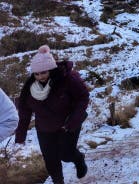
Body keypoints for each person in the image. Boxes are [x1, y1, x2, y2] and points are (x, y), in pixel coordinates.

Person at [15, 45, 89, 183]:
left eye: (43, 72)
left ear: (51, 69)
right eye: (36, 74)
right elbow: (25, 112)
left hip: (67, 124)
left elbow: (83, 97)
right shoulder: (30, 87)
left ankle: (79, 159)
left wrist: (73, 120)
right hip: (44, 128)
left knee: (66, 154)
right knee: (50, 160)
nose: (40, 76)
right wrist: (20, 136)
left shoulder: (67, 79)